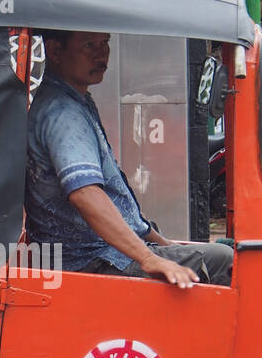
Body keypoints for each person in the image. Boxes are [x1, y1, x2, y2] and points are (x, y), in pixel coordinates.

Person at [24, 29, 233, 290]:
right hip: (94, 262)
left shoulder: (74, 100)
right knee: (226, 261)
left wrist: (161, 246)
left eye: (105, 44)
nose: (101, 54)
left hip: (102, 256)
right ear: (55, 51)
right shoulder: (63, 112)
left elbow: (121, 206)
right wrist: (148, 257)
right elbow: (85, 193)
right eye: (89, 45)